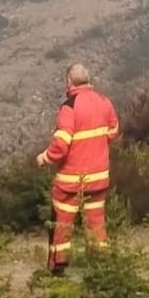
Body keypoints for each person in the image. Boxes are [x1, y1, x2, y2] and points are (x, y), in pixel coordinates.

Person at [35, 63, 119, 273]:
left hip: (71, 181)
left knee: (62, 222)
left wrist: (45, 157)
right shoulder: (105, 102)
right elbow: (113, 131)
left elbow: (61, 145)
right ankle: (101, 266)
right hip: (99, 178)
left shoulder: (69, 106)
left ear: (69, 82)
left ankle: (58, 267)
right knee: (96, 222)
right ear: (89, 80)